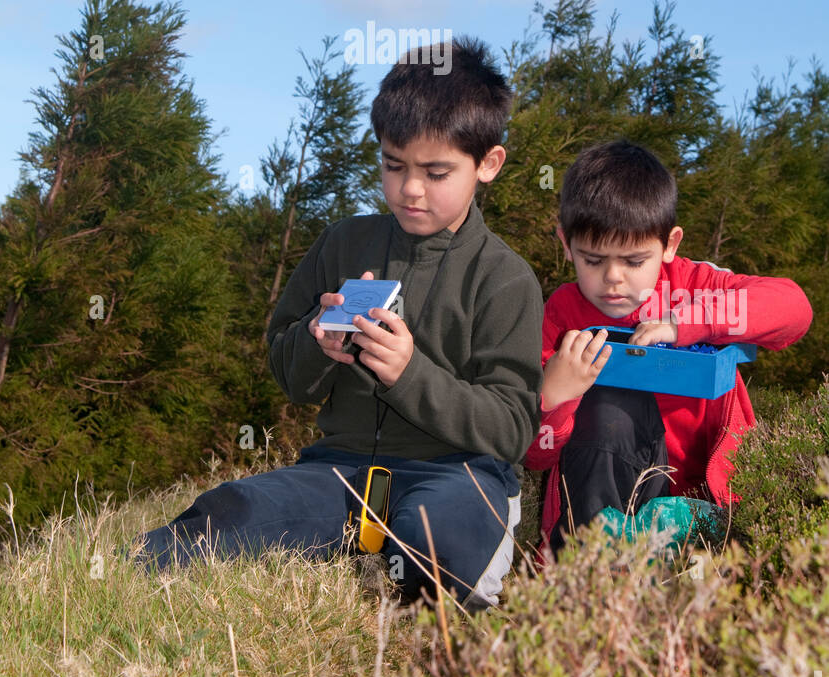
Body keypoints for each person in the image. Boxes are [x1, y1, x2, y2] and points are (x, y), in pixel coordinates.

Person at [135, 38, 544, 608]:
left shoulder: (505, 278)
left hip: (456, 475)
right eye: (393, 165)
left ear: (488, 164)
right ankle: (121, 570)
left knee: (436, 552)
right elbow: (290, 377)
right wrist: (315, 342)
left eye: (436, 171)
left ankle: (431, 587)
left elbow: (512, 429)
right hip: (339, 471)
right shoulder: (344, 242)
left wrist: (409, 373)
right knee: (227, 516)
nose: (410, 188)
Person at [524, 139, 812, 555]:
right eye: (593, 260)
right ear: (566, 243)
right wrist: (552, 398)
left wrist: (687, 322)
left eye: (634, 261)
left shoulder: (695, 287)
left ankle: (686, 547)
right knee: (606, 407)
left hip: (703, 497)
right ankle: (593, 569)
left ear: (670, 244)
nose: (613, 278)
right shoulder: (563, 313)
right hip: (602, 500)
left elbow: (794, 308)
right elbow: (537, 456)